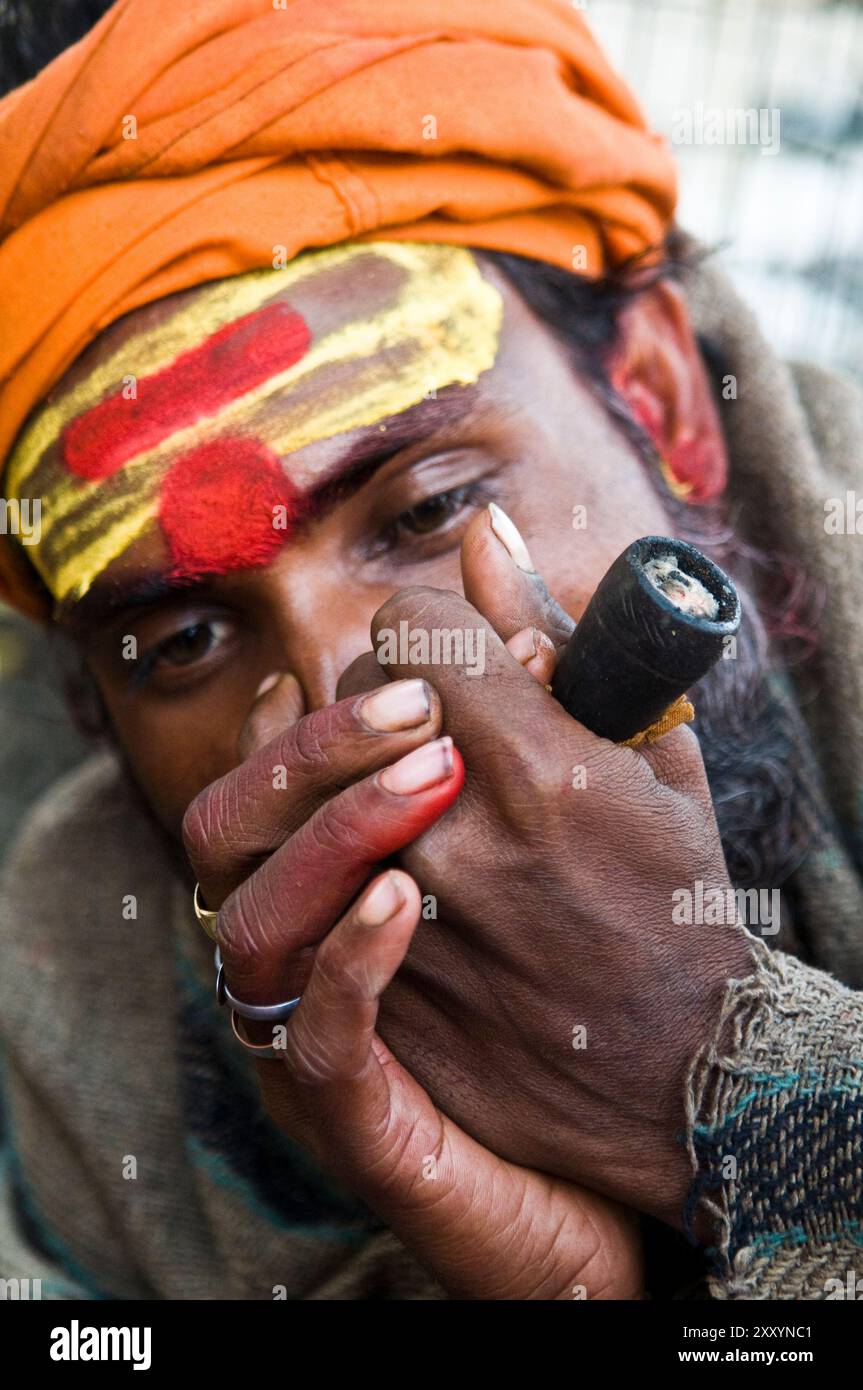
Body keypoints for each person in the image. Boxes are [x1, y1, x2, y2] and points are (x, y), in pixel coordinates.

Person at [0, 0, 861, 1302]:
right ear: (94, 710)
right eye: (181, 638)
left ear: (664, 407)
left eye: (427, 508)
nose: (372, 702)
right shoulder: (79, 1017)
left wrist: (713, 1070)